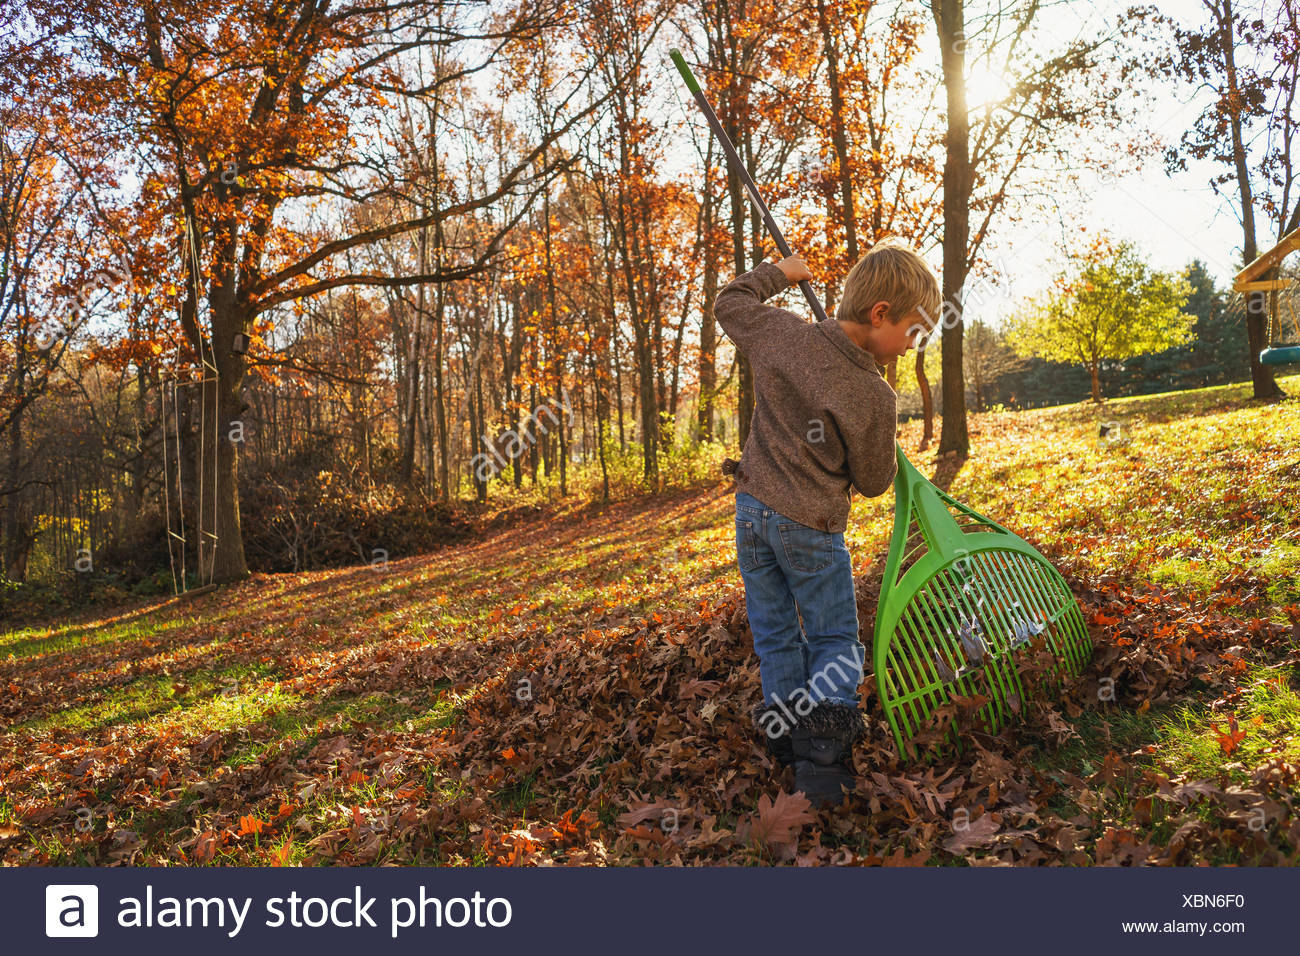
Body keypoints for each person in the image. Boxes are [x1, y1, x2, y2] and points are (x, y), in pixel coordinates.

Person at [713, 237, 941, 808]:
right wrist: (877, 436)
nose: (914, 347)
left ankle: (790, 741)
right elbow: (873, 482)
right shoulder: (875, 395)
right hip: (810, 528)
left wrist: (780, 273)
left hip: (752, 515)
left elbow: (730, 304)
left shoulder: (782, 334)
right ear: (880, 314)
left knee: (775, 635)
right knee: (834, 637)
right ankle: (823, 756)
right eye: (915, 333)